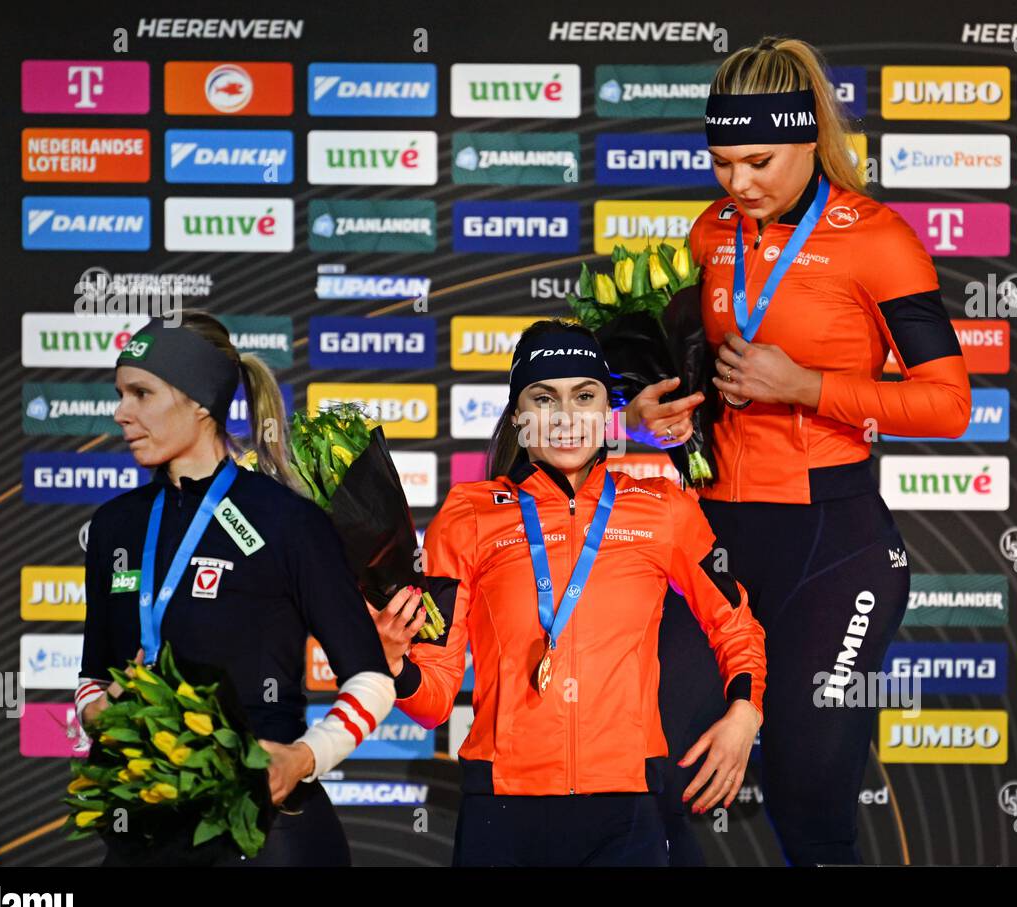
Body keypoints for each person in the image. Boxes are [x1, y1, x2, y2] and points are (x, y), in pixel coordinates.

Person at [622, 36, 972, 865]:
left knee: (810, 804)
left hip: (832, 549)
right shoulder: (711, 232)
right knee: (650, 768)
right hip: (714, 544)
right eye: (720, 163)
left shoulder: (878, 239)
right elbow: (692, 375)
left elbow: (949, 404)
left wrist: (806, 386)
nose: (736, 184)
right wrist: (651, 413)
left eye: (757, 161)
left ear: (808, 137)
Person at [372, 320, 767, 866]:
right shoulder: (467, 516)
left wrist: (745, 713)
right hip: (503, 811)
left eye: (585, 397)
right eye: (543, 398)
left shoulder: (663, 510)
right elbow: (435, 701)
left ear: (609, 413)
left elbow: (735, 623)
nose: (564, 418)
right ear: (518, 415)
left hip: (627, 810)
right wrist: (394, 664)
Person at [75, 310, 395, 866]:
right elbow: (92, 678)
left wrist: (300, 758)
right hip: (145, 832)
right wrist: (104, 710)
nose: (121, 413)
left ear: (200, 402)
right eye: (120, 394)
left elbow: (371, 679)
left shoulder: (287, 521)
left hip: (266, 834)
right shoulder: (113, 527)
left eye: (141, 394)